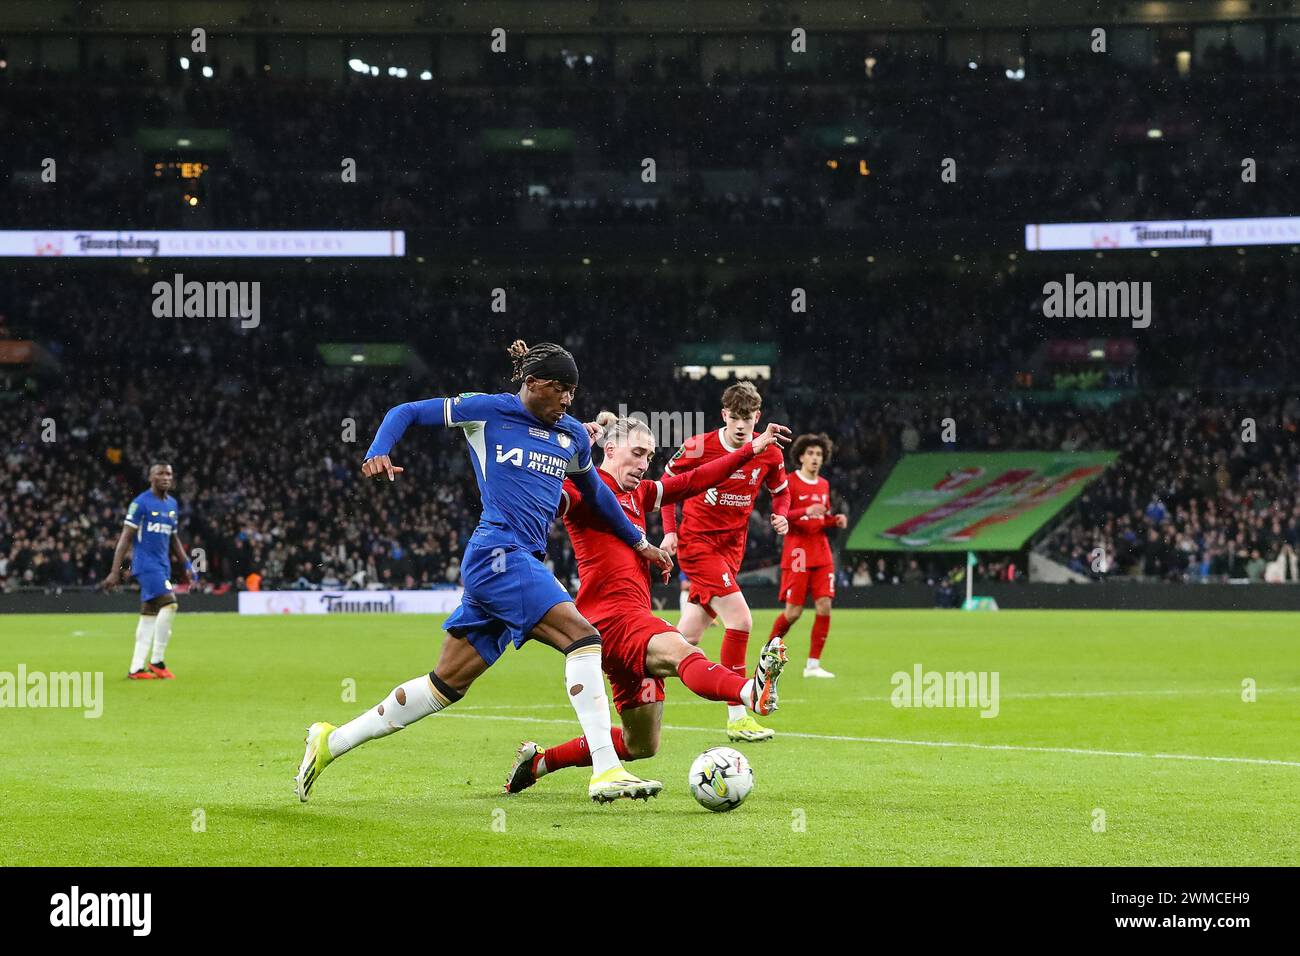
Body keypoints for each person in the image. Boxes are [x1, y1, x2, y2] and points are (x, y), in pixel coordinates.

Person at [294, 341, 674, 804]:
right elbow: (407, 410)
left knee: (444, 685)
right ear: (533, 384)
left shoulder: (572, 435)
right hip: (497, 550)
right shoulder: (487, 411)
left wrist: (642, 544)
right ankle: (606, 768)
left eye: (573, 391)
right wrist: (377, 449)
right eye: (560, 390)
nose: (568, 400)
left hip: (520, 562)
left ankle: (330, 742)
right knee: (584, 638)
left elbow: (596, 495)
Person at [504, 412, 792, 794]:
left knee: (641, 744)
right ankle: (748, 692)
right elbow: (544, 498)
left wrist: (751, 449)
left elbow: (695, 479)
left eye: (649, 457)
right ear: (609, 449)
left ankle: (541, 762)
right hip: (612, 619)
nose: (643, 465)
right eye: (637, 453)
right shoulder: (585, 490)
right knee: (680, 650)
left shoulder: (638, 495)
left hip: (628, 620)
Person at [658, 381, 790, 742]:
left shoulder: (769, 452)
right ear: (724, 416)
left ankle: (638, 661)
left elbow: (781, 491)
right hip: (698, 544)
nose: (740, 424)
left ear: (757, 417)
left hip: (733, 549)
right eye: (734, 417)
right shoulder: (698, 446)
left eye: (747, 418)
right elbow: (666, 488)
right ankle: (738, 715)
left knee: (688, 637)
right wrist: (670, 531)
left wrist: (781, 515)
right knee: (741, 619)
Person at [100, 462, 193, 680]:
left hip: (162, 566)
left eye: (169, 473)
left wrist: (187, 563)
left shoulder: (172, 504)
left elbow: (173, 538)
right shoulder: (140, 503)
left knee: (149, 615)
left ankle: (136, 668)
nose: (166, 477)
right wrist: (115, 571)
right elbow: (125, 538)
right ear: (151, 477)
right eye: (160, 473)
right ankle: (157, 661)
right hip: (145, 565)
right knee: (170, 604)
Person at [766, 433, 848, 678]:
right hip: (798, 551)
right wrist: (805, 510)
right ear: (801, 456)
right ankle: (768, 652)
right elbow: (780, 515)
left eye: (819, 454)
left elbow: (819, 518)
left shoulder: (824, 484)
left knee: (825, 606)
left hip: (821, 552)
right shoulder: (789, 482)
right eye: (811, 453)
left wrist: (834, 521)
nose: (815, 458)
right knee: (794, 612)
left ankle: (813, 664)